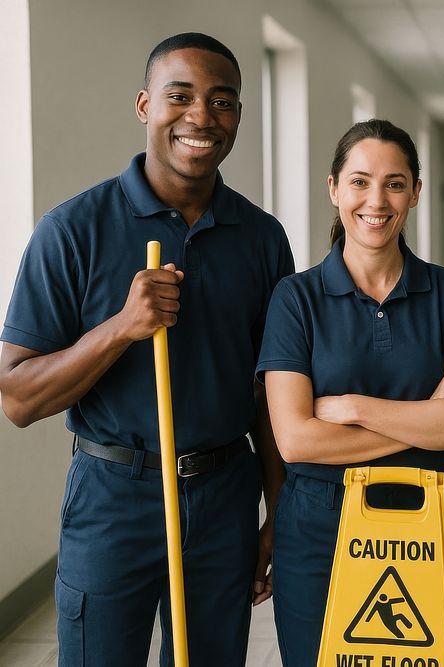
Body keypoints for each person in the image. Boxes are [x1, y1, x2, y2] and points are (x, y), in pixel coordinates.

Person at [0, 33, 294, 666]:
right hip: (114, 495)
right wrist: (122, 328)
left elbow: (270, 394)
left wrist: (278, 510)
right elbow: (18, 397)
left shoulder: (262, 239)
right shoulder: (71, 231)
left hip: (224, 497)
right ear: (143, 105)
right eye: (179, 96)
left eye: (222, 101)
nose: (201, 117)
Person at [257, 119, 444, 666]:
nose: (376, 200)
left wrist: (356, 409)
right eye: (360, 182)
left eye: (394, 182)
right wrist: (427, 420)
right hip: (319, 528)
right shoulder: (296, 299)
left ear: (414, 191)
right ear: (334, 188)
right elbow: (294, 441)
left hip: (422, 520)